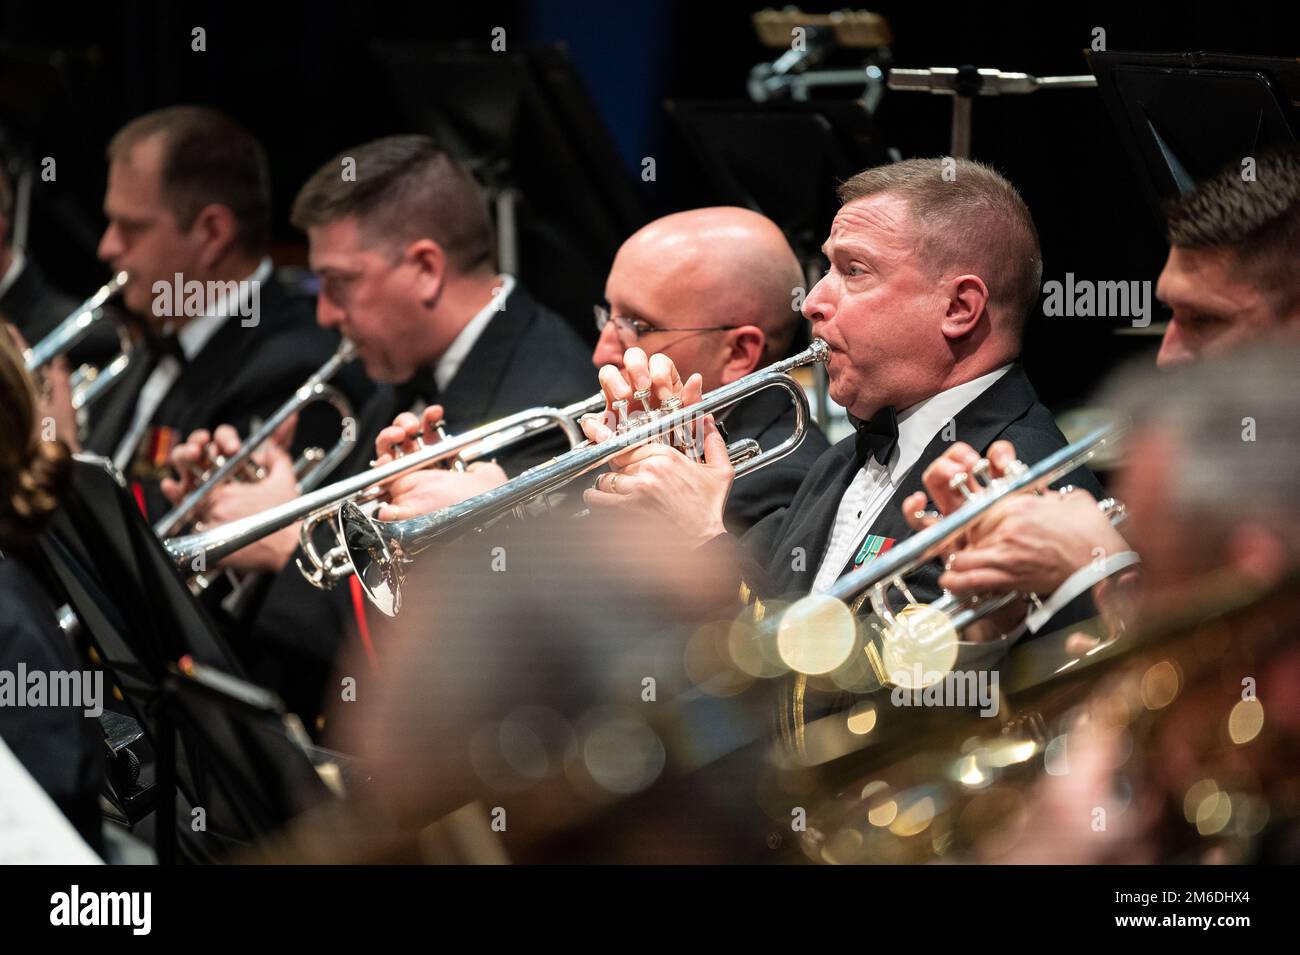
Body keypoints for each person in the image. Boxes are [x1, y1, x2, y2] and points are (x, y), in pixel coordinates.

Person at [373, 206, 829, 533]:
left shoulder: (782, 482)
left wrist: (491, 518)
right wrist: (480, 487)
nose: (600, 351)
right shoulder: (626, 427)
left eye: (637, 325)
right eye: (606, 316)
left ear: (738, 353)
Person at [71, 105, 372, 525]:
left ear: (212, 233)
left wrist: (58, 463)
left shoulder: (293, 366)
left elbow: (182, 549)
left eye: (131, 227)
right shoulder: (154, 336)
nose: (107, 247)